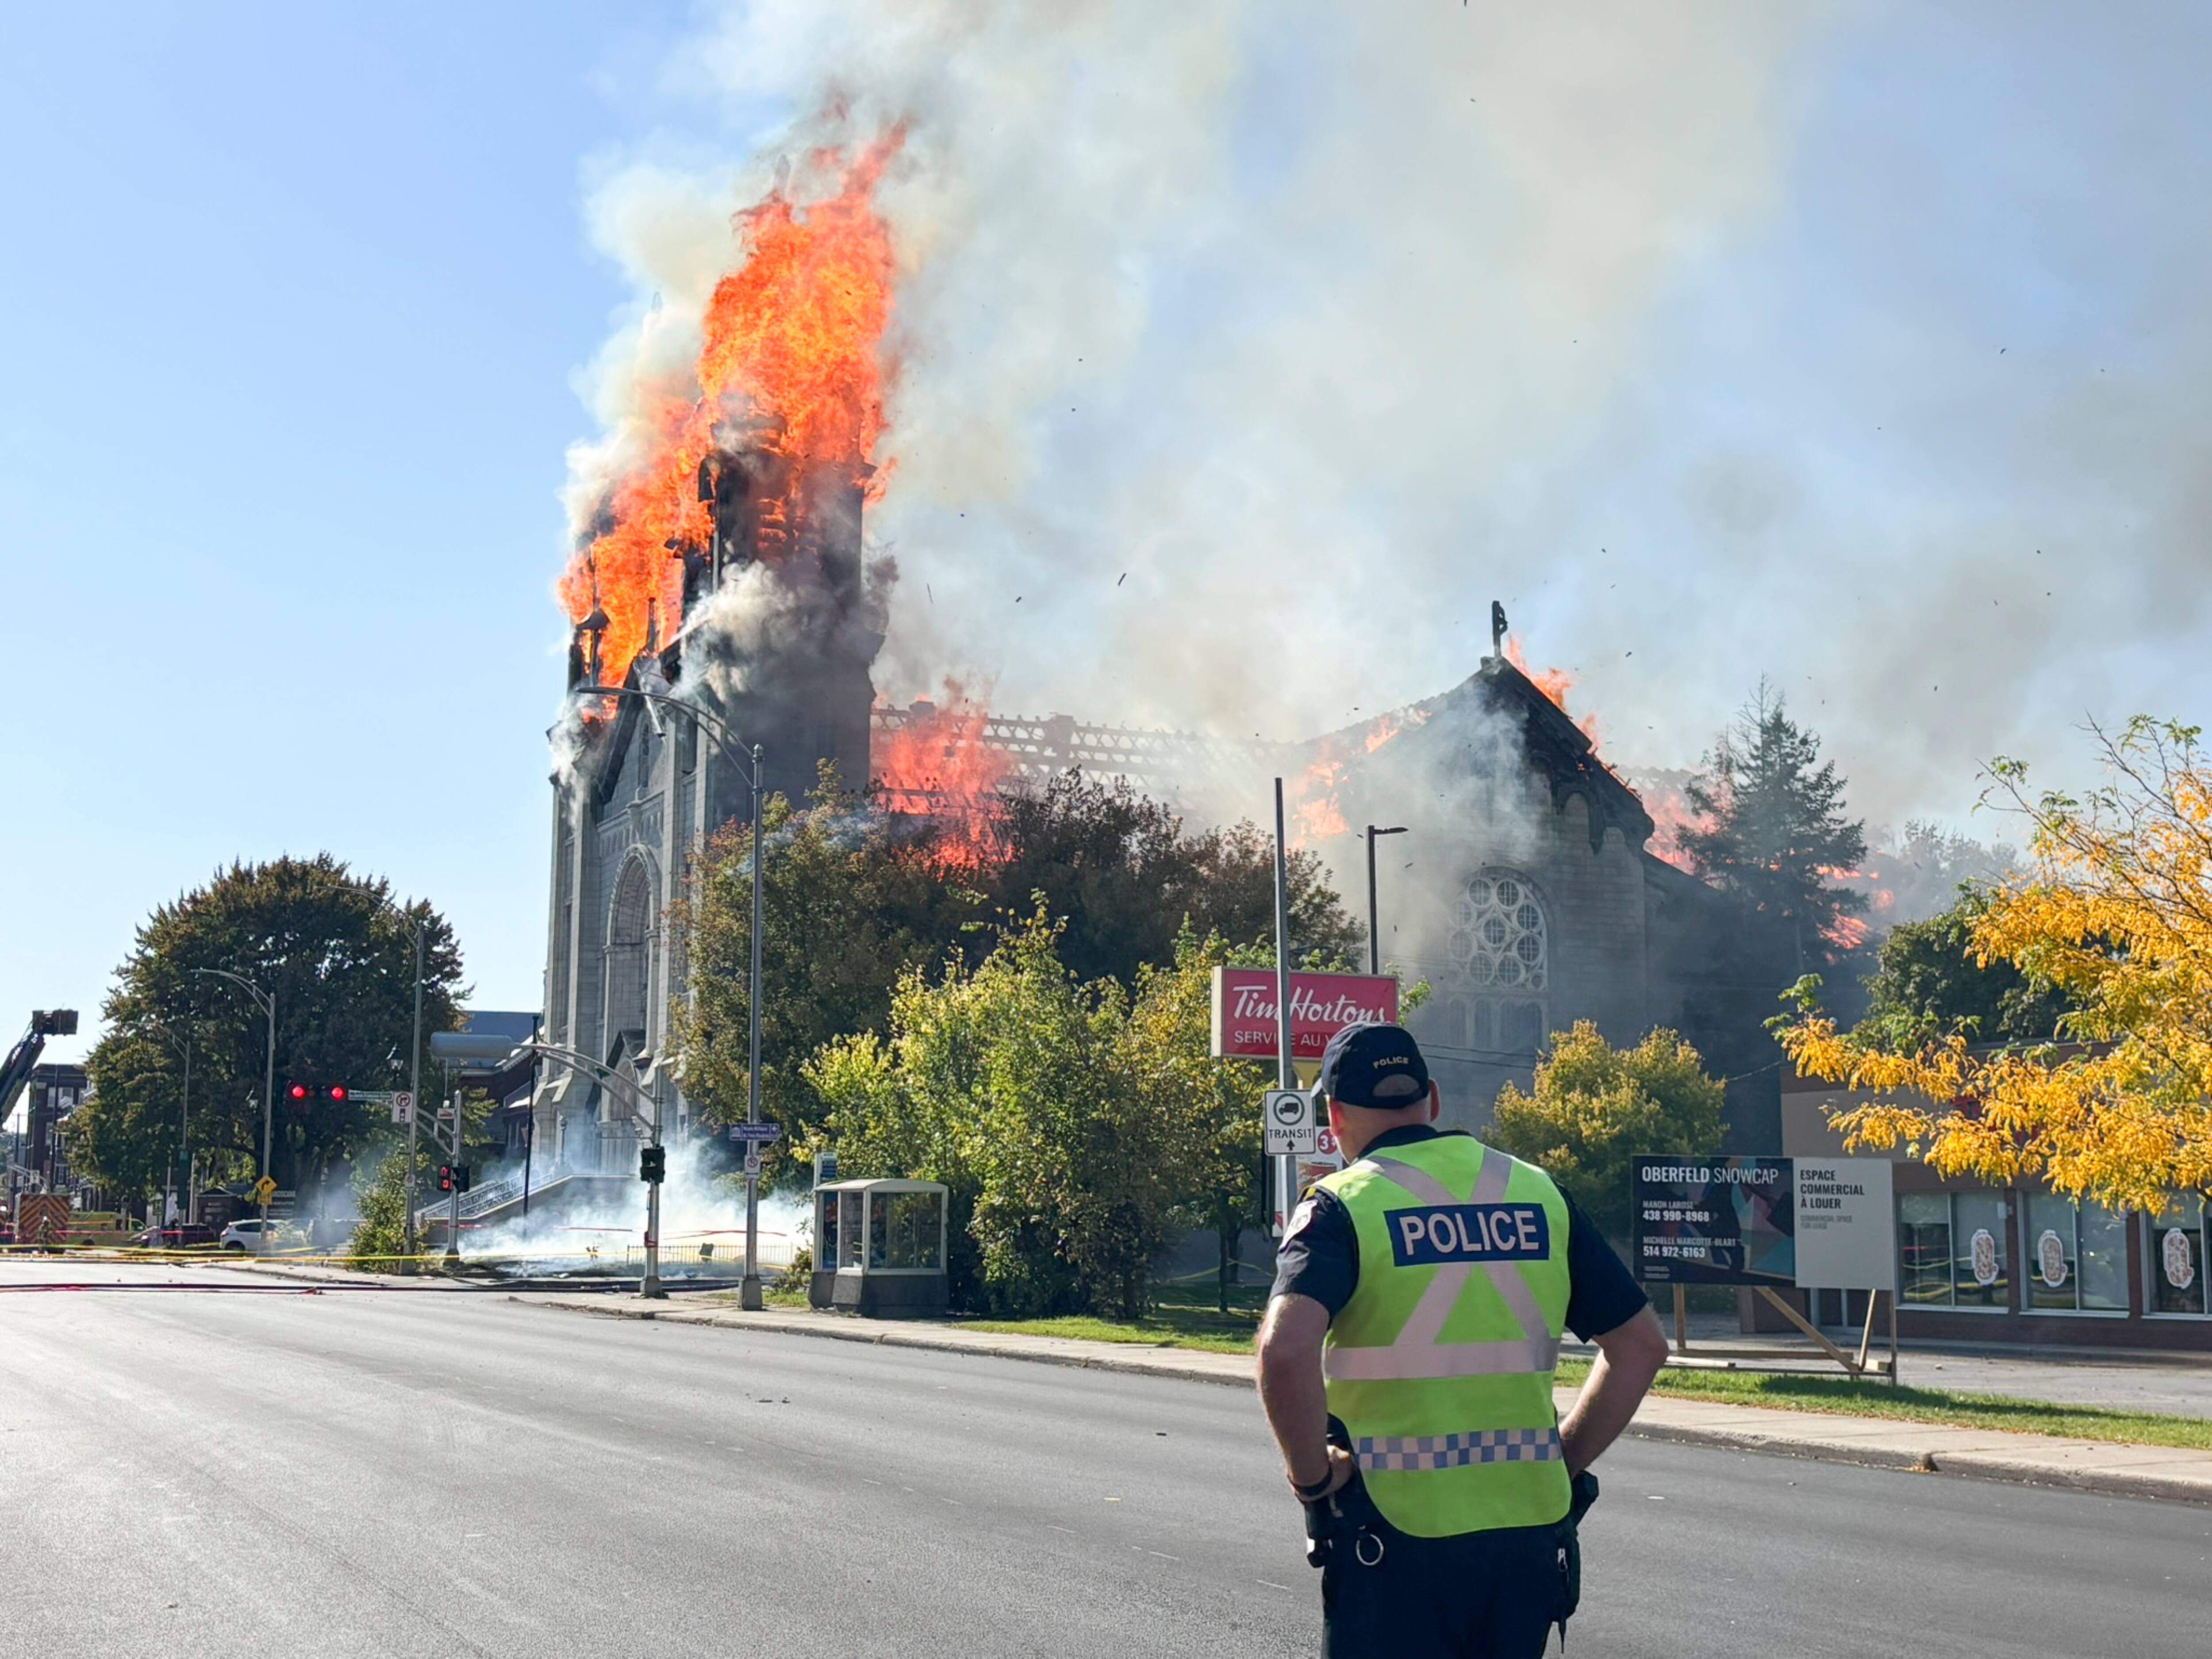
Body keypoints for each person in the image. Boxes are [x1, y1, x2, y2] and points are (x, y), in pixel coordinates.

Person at [1256, 1022, 1669, 1657]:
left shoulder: (1342, 1207)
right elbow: (1641, 1345)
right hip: (1527, 1541)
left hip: (1395, 1540)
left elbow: (1284, 1352)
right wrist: (1561, 1460)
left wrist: (1313, 1481)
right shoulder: (1540, 1193)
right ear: (1435, 1099)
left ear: (1335, 1117)